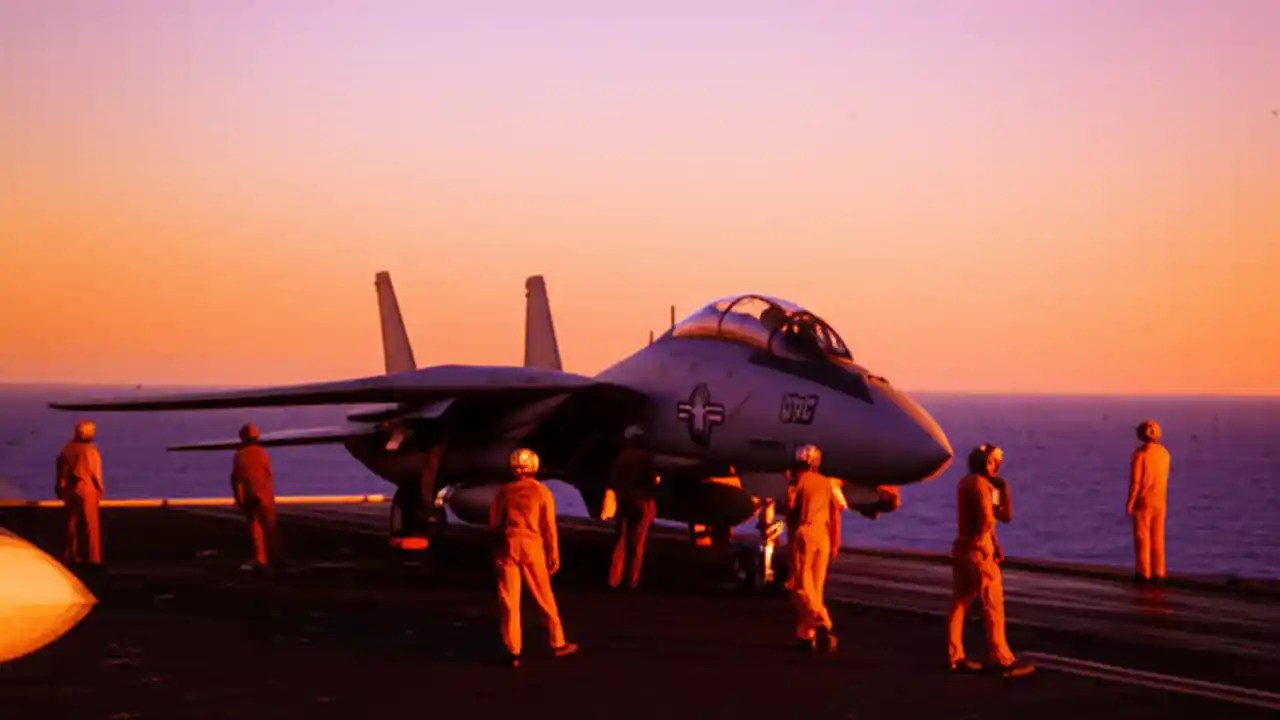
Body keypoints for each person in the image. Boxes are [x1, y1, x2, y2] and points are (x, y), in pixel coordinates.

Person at [946, 443, 1034, 677]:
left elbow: (998, 516)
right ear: (985, 462)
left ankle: (955, 655)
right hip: (979, 552)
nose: (997, 466)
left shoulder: (965, 483)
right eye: (994, 461)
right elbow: (993, 518)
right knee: (993, 605)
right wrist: (1000, 493)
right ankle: (1003, 659)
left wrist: (995, 543)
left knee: (960, 603)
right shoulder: (983, 486)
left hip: (962, 548)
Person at [490, 448, 578, 667]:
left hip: (508, 546)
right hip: (532, 547)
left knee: (509, 601)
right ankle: (558, 643)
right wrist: (553, 552)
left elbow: (494, 524)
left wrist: (496, 551)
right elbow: (549, 526)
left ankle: (513, 651)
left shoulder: (504, 492)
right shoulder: (542, 492)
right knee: (544, 597)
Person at [785, 444, 841, 653]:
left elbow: (790, 506)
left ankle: (822, 621)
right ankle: (806, 636)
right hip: (823, 536)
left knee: (799, 586)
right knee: (817, 587)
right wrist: (835, 541)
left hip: (804, 534)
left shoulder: (798, 481)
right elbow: (836, 511)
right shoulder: (828, 482)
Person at [607, 425, 660, 590]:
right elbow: (652, 481)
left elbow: (613, 481)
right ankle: (631, 582)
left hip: (624, 502)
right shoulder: (647, 459)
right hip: (641, 503)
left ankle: (614, 580)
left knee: (621, 541)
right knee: (637, 543)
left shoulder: (621, 458)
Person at [231, 423, 280, 571]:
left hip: (250, 495)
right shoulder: (263, 453)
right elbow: (268, 475)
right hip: (264, 495)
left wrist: (239, 498)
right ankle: (276, 558)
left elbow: (237, 479)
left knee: (256, 527)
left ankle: (261, 559)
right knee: (270, 528)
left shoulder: (239, 455)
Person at [1127, 420, 1171, 583]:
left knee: (1142, 538)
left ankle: (1144, 572)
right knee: (1158, 537)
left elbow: (1136, 483)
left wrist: (1130, 502)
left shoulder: (1140, 455)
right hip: (1160, 501)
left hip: (1143, 501)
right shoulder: (1165, 454)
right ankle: (1159, 572)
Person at [55, 420, 104, 566]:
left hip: (70, 490)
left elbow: (60, 475)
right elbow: (96, 474)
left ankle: (70, 555)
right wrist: (100, 490)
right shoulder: (90, 450)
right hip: (86, 488)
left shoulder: (66, 450)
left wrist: (61, 490)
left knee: (72, 522)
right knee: (91, 525)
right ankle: (93, 558)